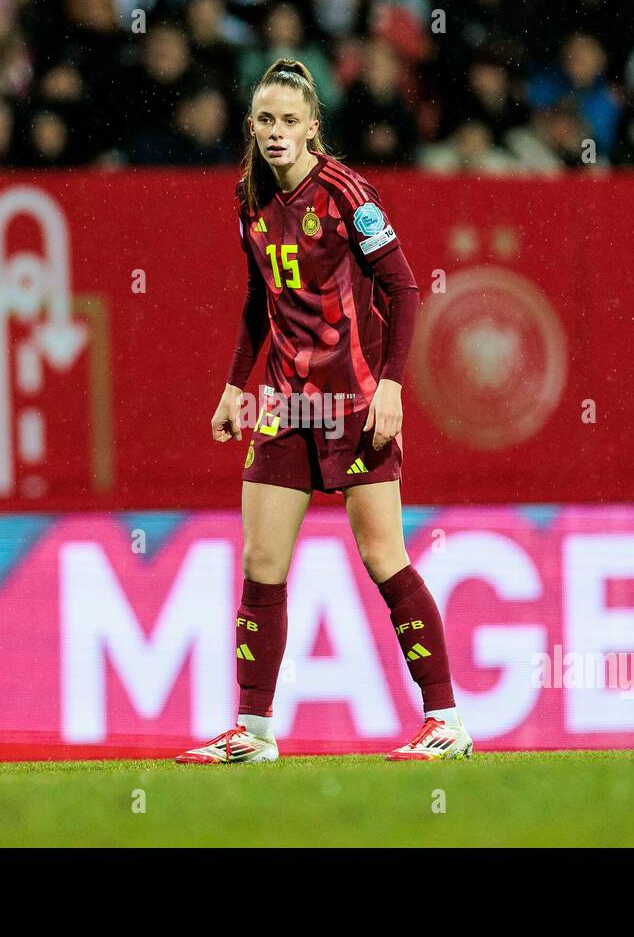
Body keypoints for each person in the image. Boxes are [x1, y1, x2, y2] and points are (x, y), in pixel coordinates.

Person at [175, 58, 472, 764]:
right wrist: (233, 385)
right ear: (251, 128)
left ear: (313, 128)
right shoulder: (248, 197)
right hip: (283, 404)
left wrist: (393, 388)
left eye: (290, 121)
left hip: (355, 404)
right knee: (261, 561)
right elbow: (259, 299)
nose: (277, 132)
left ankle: (446, 719)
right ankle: (253, 731)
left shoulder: (346, 193)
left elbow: (404, 290)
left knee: (382, 556)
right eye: (266, 121)